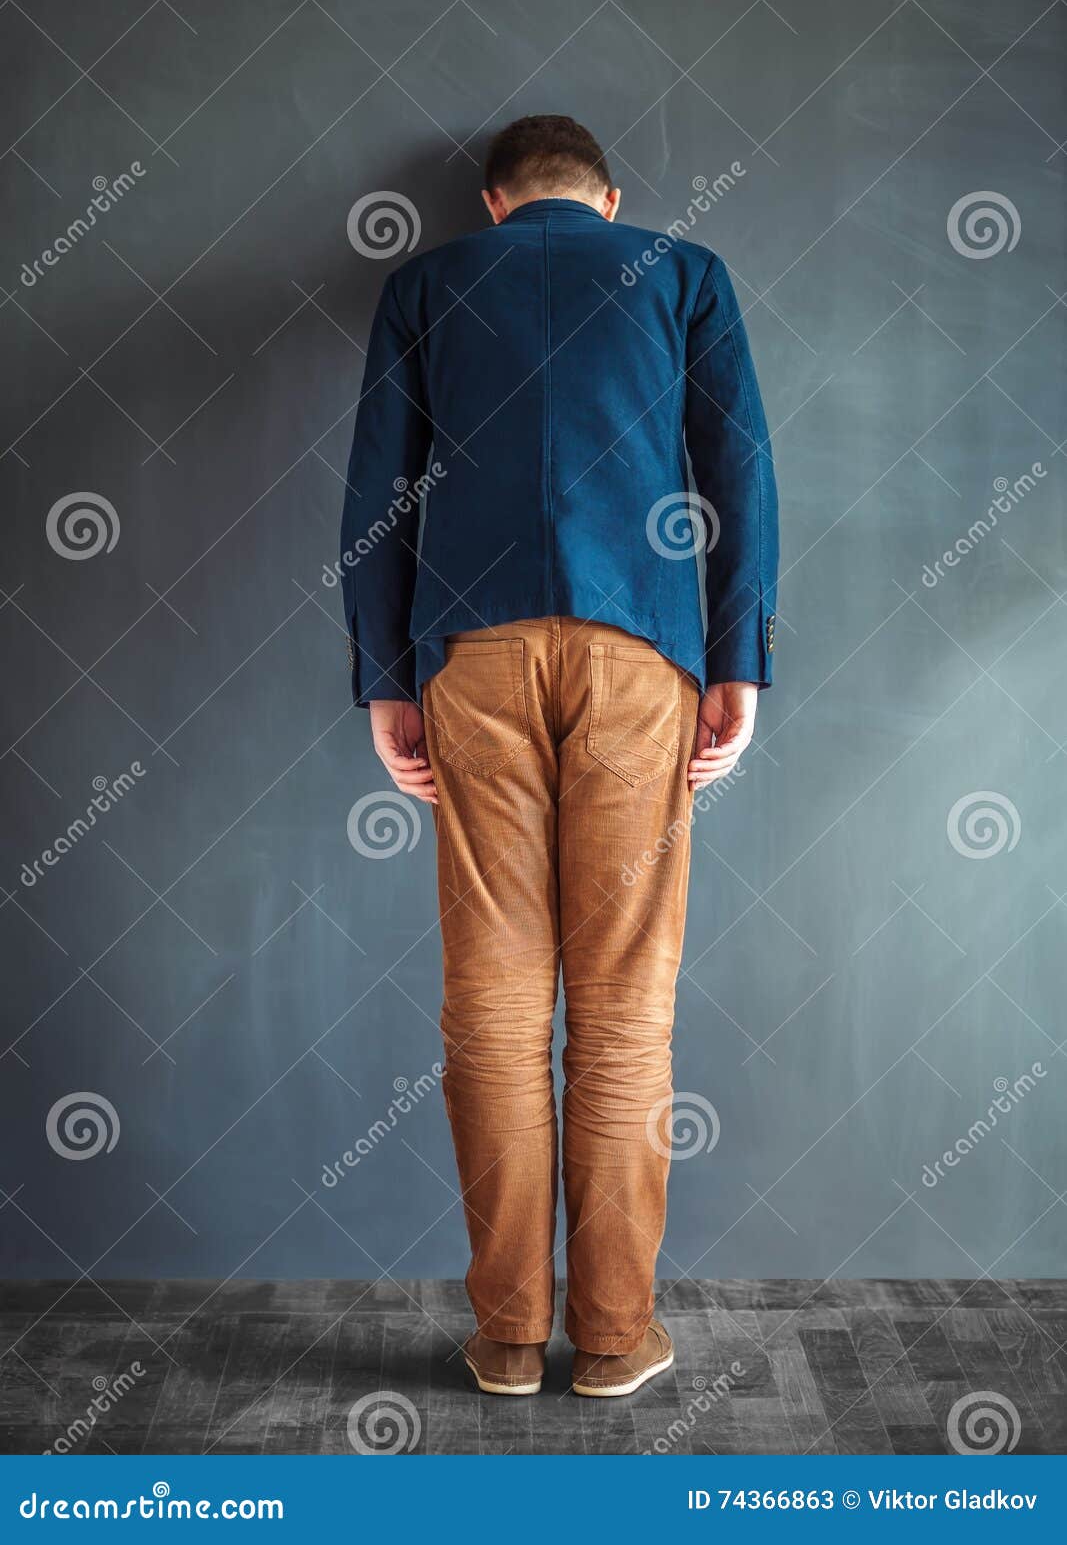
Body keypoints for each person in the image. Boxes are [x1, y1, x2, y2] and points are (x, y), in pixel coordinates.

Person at [339, 114, 778, 1398]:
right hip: (640, 646)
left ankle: (506, 1337)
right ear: (606, 196)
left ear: (490, 203)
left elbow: (377, 485)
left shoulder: (422, 283)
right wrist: (738, 658)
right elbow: (738, 467)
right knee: (626, 1006)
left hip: (465, 651)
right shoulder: (681, 273)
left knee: (489, 1006)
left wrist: (382, 674)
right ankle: (613, 1336)